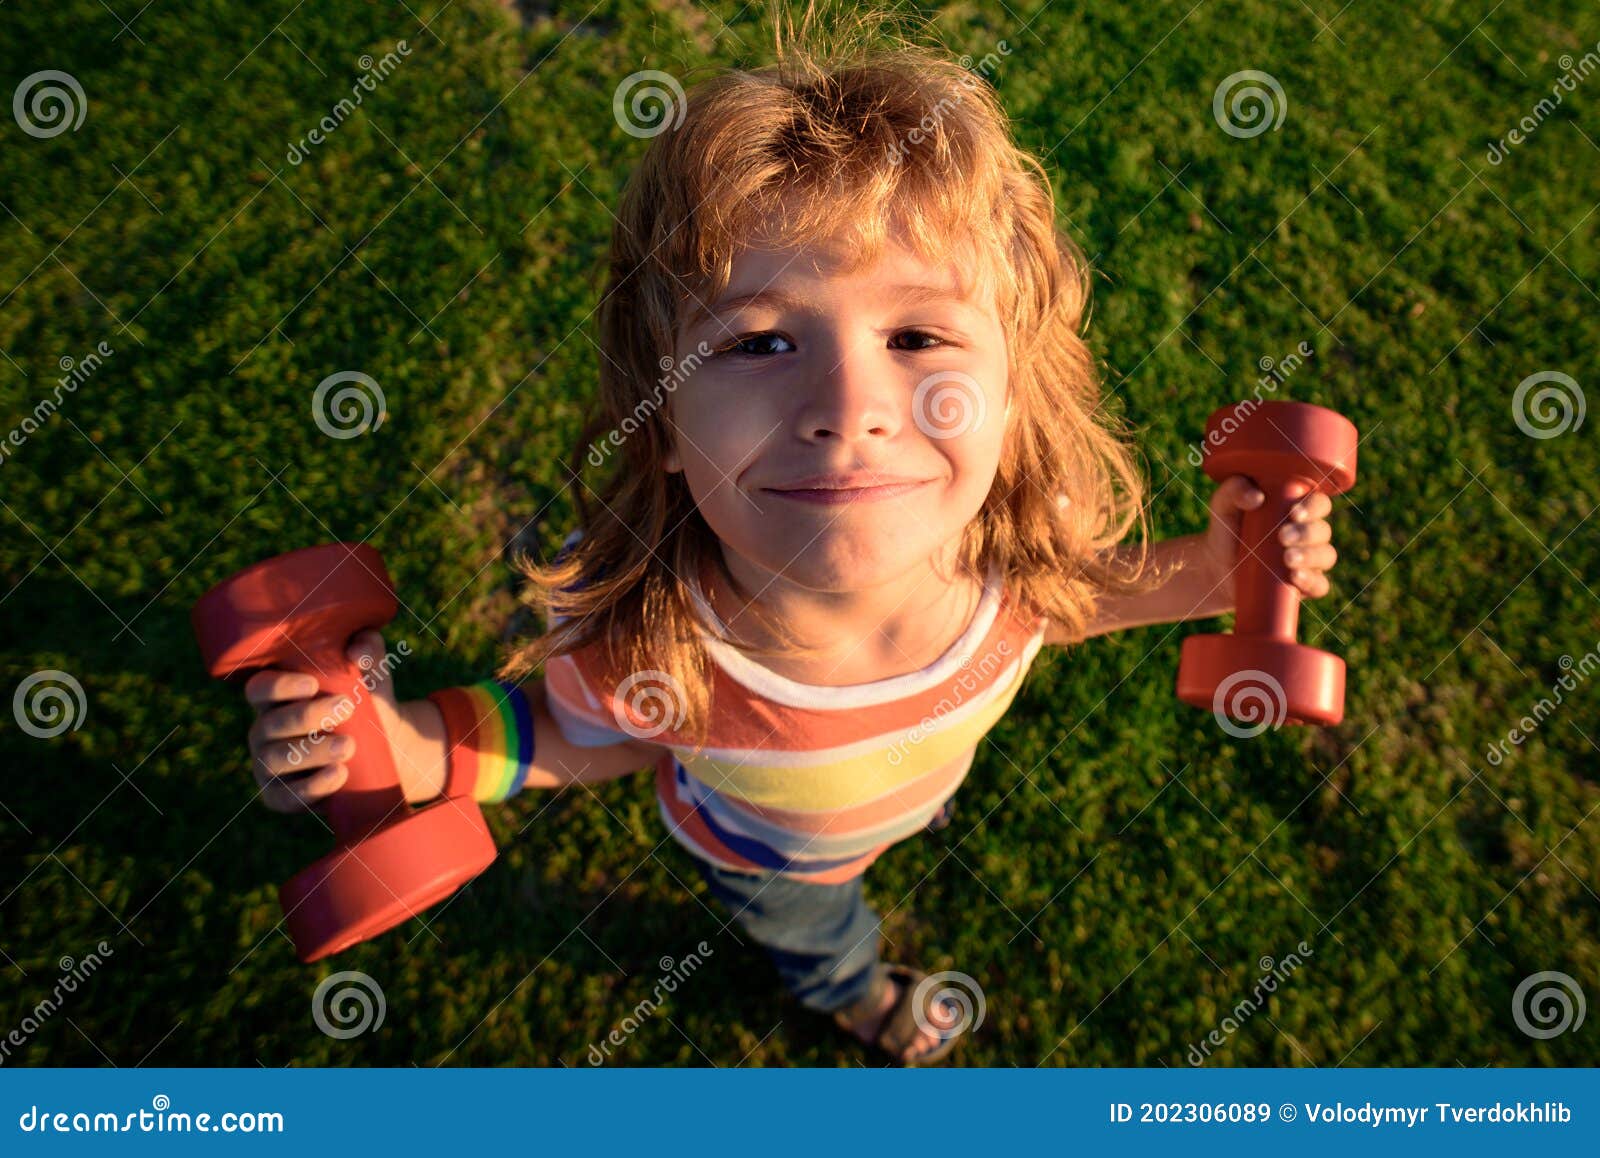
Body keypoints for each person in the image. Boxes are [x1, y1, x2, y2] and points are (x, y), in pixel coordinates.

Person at [240, 11, 1341, 1066]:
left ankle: (910, 816)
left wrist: (1218, 571)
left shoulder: (1010, 549)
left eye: (917, 335)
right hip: (773, 857)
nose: (848, 409)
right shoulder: (661, 640)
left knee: (914, 793)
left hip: (920, 779)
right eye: (760, 343)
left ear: (1012, 400)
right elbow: (582, 733)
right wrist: (407, 750)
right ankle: (848, 991)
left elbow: (1064, 603)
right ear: (662, 421)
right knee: (816, 932)